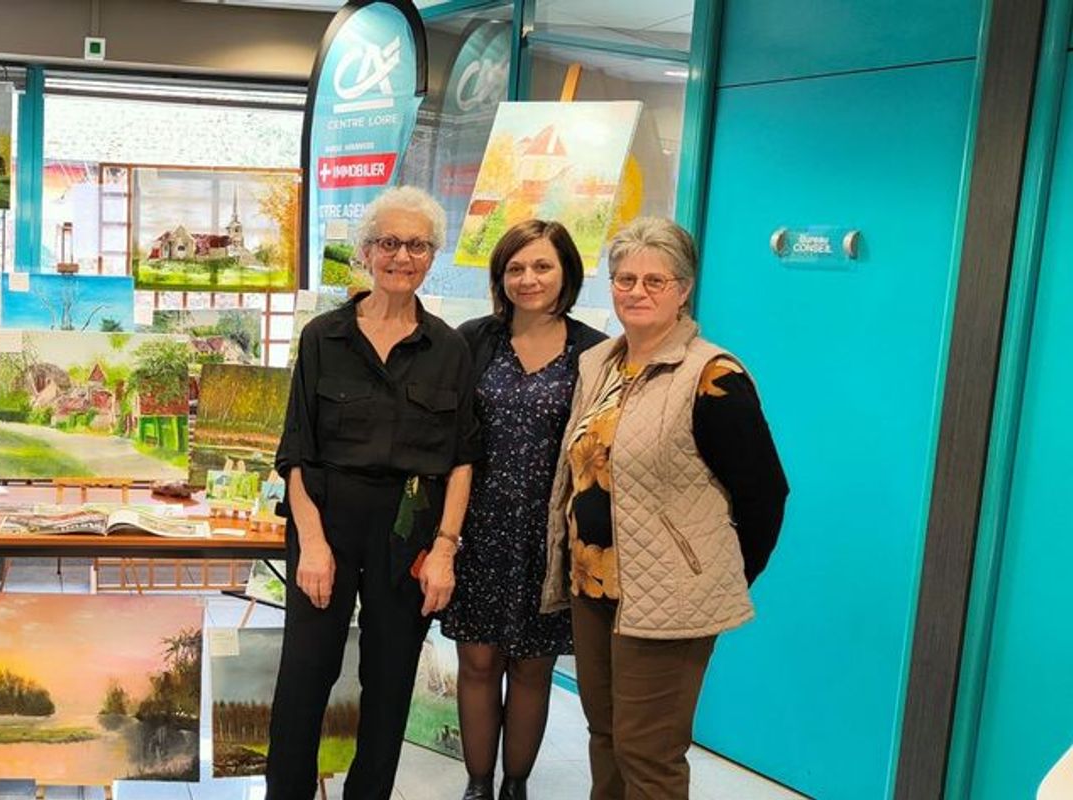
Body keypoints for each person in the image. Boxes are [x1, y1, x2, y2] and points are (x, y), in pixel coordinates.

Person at [540, 217, 789, 800]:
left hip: (669, 596)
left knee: (648, 753)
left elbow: (765, 492)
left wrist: (712, 574)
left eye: (656, 280)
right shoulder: (599, 364)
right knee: (605, 734)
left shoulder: (712, 376)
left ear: (683, 289)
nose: (637, 292)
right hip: (593, 583)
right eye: (625, 279)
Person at [267, 186, 480, 800]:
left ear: (432, 257)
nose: (401, 256)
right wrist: (311, 543)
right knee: (305, 676)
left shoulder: (450, 349)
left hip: (408, 529)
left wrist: (444, 549)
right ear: (365, 252)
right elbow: (297, 452)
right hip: (325, 521)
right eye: (388, 242)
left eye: (416, 245)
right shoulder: (322, 337)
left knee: (390, 684)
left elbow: (462, 461)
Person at [442, 220, 606, 800]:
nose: (528, 279)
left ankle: (516, 786)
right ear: (499, 277)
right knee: (479, 663)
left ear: (567, 272)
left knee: (533, 667)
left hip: (552, 538)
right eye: (515, 268)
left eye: (542, 266)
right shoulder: (471, 341)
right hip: (479, 529)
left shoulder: (594, 352)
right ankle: (478, 784)